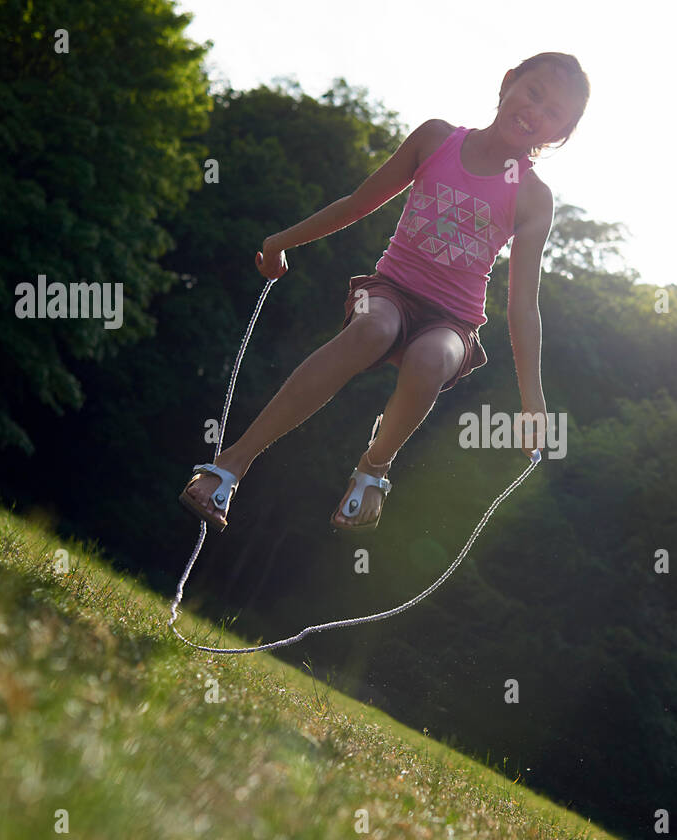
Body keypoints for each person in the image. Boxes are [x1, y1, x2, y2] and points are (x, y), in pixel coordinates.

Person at [180, 52, 589, 533]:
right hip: (388, 289)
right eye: (534, 92)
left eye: (554, 112)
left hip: (453, 323)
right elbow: (357, 204)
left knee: (432, 358)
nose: (535, 111)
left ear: (559, 135)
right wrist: (277, 243)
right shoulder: (437, 139)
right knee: (374, 327)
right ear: (508, 82)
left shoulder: (533, 197)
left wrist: (531, 400)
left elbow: (522, 306)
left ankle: (374, 468)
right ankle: (229, 466)